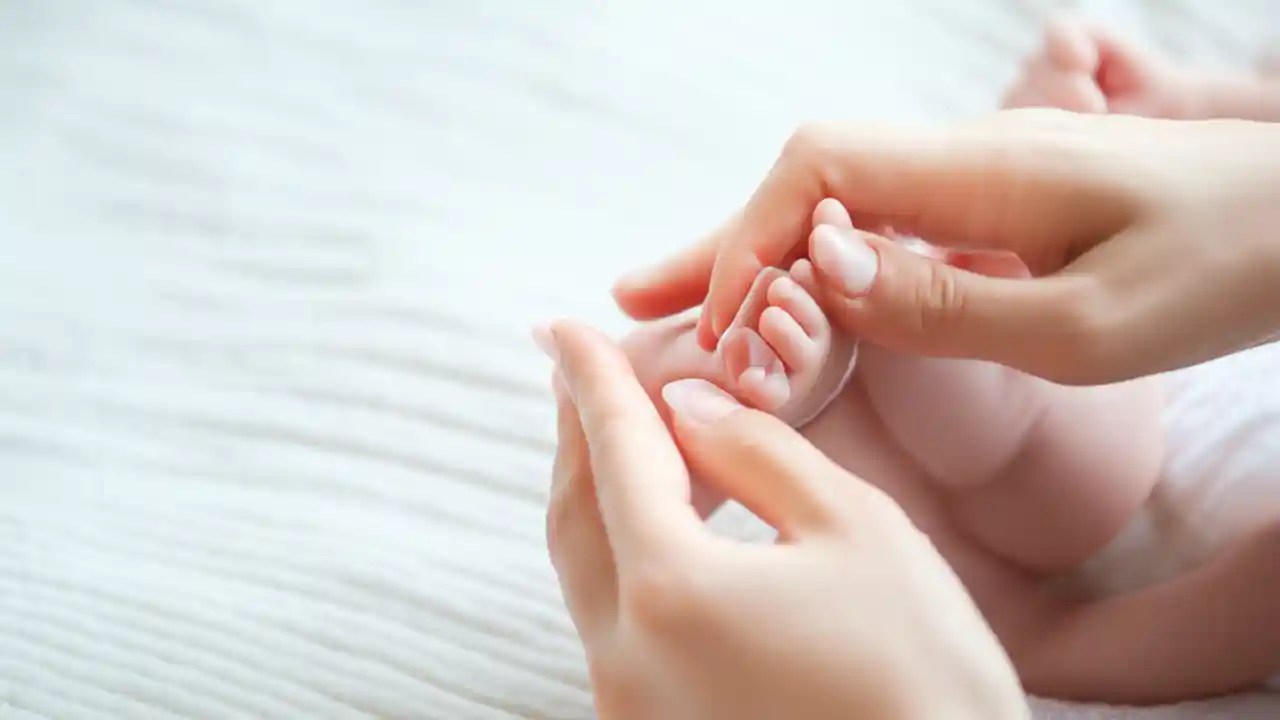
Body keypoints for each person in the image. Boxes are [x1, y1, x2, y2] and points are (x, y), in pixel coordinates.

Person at [542, 21, 1280, 719]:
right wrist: (1193, 109)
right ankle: (765, 366)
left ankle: (730, 377)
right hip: (1144, 322)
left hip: (1047, 515)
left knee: (978, 432)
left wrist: (1059, 638)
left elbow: (1187, 635)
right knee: (961, 364)